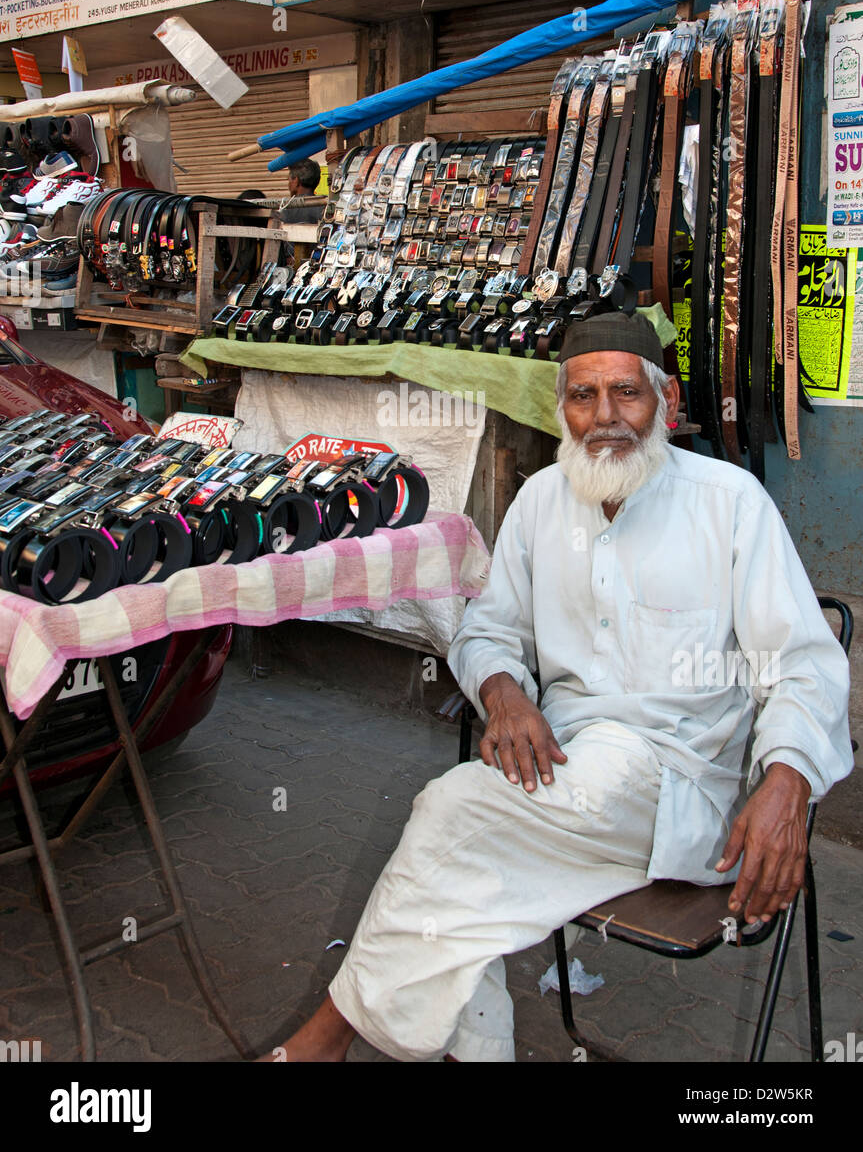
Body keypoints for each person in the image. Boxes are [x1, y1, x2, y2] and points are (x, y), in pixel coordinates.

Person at [265, 310, 852, 1063]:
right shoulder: (541, 499)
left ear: (663, 403)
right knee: (468, 864)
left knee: (450, 813)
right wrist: (504, 694)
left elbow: (800, 662)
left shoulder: (729, 503)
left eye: (625, 395)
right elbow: (487, 629)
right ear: (559, 408)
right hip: (558, 775)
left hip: (679, 791)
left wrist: (787, 782)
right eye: (583, 397)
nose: (604, 418)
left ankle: (322, 1041)